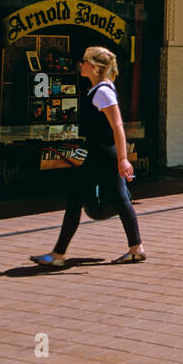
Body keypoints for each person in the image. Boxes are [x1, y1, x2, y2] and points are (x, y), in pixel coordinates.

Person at [31, 46, 145, 268]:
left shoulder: (103, 91)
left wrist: (123, 159)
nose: (79, 64)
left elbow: (118, 126)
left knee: (89, 198)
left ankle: (58, 255)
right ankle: (135, 248)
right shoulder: (97, 89)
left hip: (103, 154)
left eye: (83, 61)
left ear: (92, 67)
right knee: (115, 199)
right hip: (99, 152)